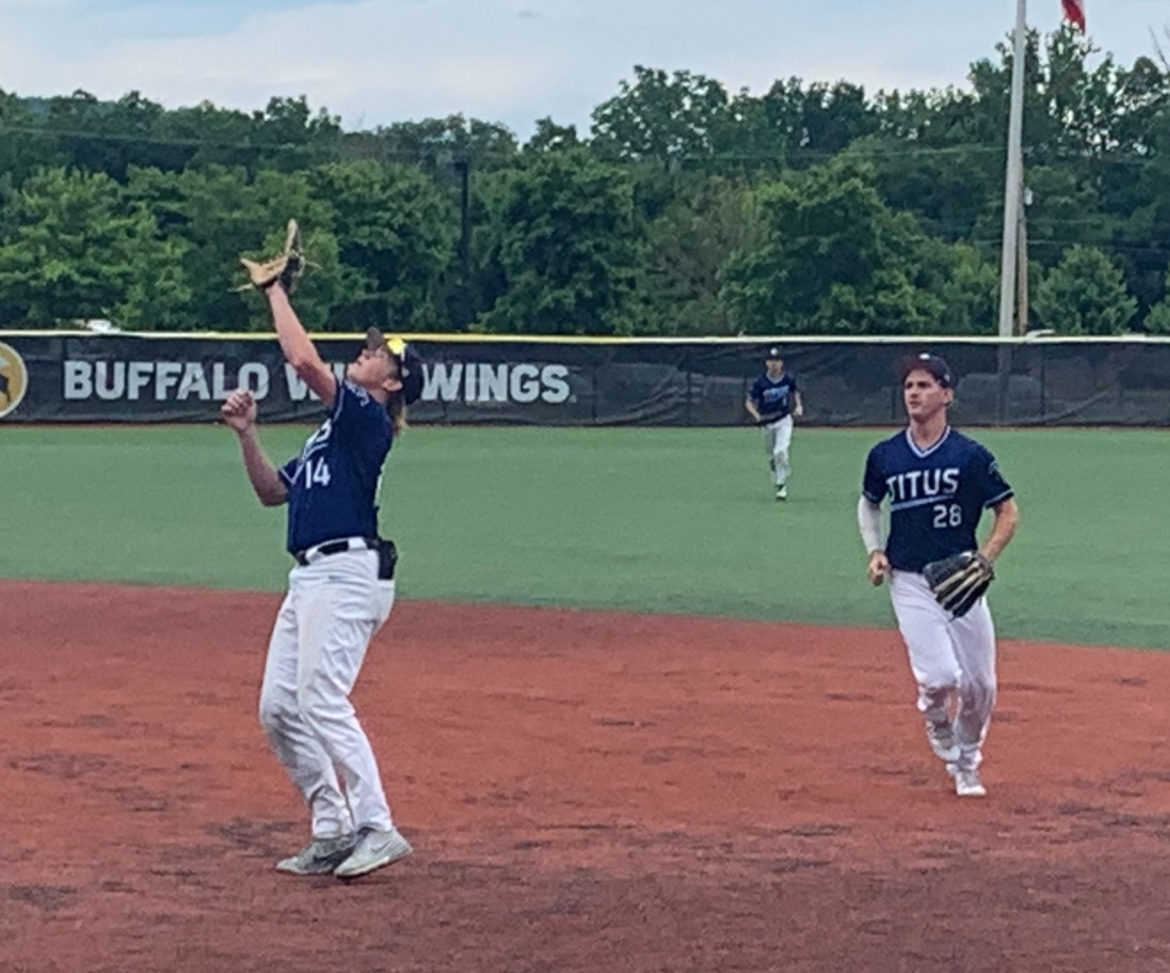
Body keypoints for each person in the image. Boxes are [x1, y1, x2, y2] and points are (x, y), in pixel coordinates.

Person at [220, 263, 424, 878]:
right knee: (279, 709)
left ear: (391, 383)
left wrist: (274, 290)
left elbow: (306, 365)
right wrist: (247, 434)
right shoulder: (328, 437)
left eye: (373, 355)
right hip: (309, 578)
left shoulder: (367, 420)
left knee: (321, 697)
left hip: (348, 574)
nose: (362, 356)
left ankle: (378, 826)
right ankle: (332, 826)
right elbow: (271, 494)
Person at [856, 353, 1019, 798]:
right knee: (941, 677)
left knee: (981, 686)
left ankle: (968, 763)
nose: (914, 392)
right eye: (909, 385)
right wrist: (874, 550)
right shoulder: (885, 455)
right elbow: (869, 502)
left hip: (960, 579)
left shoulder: (969, 455)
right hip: (909, 580)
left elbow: (1007, 510)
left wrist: (986, 558)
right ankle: (933, 715)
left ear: (947, 395)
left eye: (925, 385)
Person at [745, 347, 804, 500]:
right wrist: (756, 415)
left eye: (777, 360)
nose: (774, 364)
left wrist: (798, 406)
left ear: (781, 363)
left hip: (784, 420)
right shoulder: (761, 382)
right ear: (766, 363)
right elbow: (749, 402)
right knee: (772, 456)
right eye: (771, 360)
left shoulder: (787, 379)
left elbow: (795, 391)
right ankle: (778, 471)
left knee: (780, 451)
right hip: (767, 422)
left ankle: (781, 484)